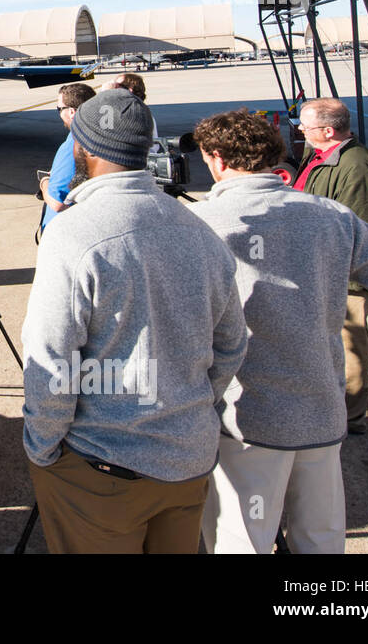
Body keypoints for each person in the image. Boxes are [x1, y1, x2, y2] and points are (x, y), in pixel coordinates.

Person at [21, 91, 248, 553]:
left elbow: (51, 355)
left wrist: (42, 446)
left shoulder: (73, 233)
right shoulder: (198, 228)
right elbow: (230, 343)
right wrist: (189, 406)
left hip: (101, 467)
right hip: (187, 461)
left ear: (86, 148)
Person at [190, 111, 368, 552]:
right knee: (321, 537)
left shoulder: (202, 224)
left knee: (241, 540)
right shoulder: (330, 216)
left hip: (247, 417)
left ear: (217, 160)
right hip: (321, 410)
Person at [294, 97, 368, 434]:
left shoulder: (357, 167)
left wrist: (336, 273)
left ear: (328, 130)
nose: (300, 129)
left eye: (305, 125)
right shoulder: (323, 155)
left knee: (351, 342)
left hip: (343, 276)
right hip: (323, 269)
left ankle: (352, 414)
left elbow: (363, 229)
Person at [40, 83, 96, 229]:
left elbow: (57, 202)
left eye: (59, 108)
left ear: (72, 112)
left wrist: (44, 182)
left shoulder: (74, 144)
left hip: (60, 231)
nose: (59, 113)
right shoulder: (99, 137)